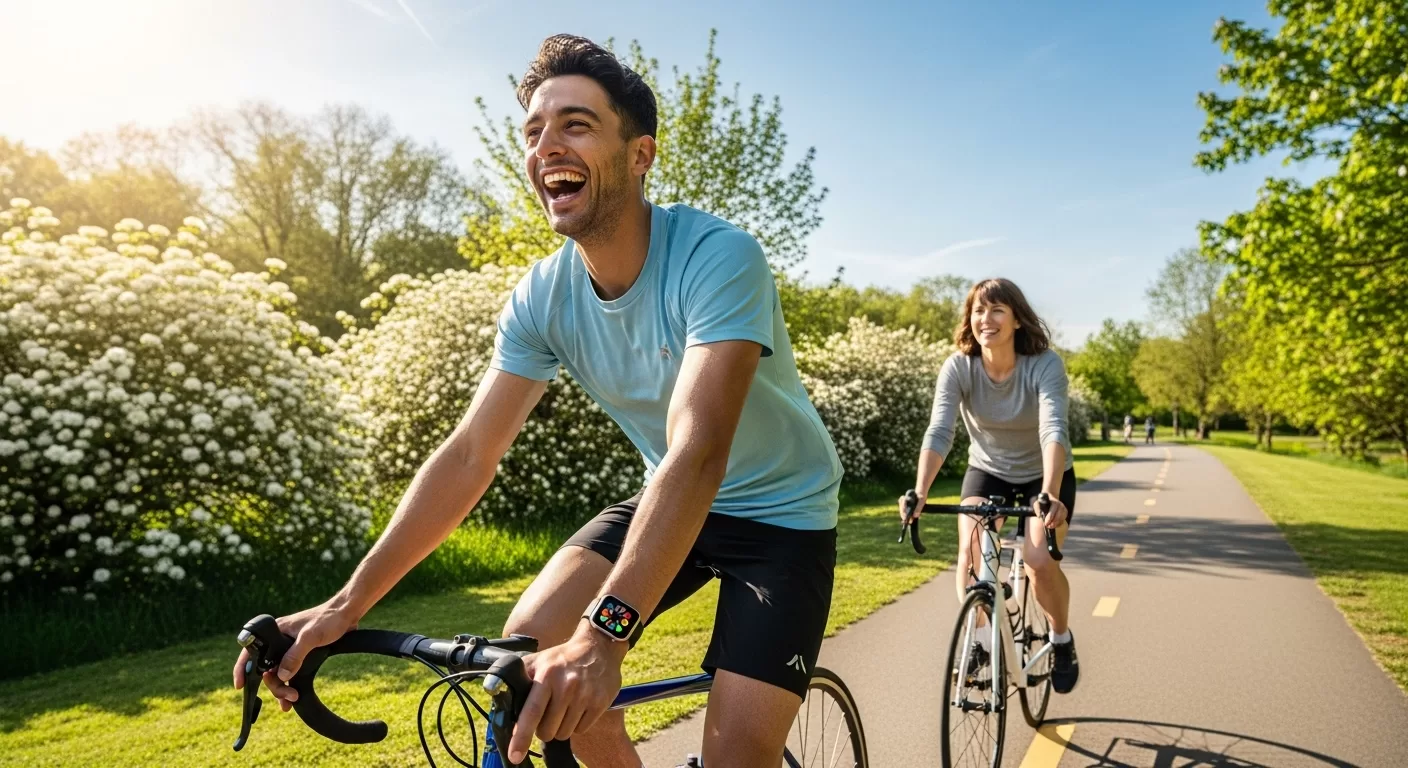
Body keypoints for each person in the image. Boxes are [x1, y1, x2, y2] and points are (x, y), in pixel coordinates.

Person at [232, 35, 844, 768]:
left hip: (782, 517)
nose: (546, 144)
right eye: (533, 130)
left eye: (576, 125)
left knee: (734, 754)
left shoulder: (718, 257)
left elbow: (699, 449)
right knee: (527, 661)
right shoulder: (542, 297)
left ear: (640, 155)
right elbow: (468, 455)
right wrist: (345, 605)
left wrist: (603, 636)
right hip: (670, 500)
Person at [900, 277, 1080, 694]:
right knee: (971, 557)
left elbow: (1053, 429)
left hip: (1045, 474)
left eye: (998, 310)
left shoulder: (1043, 364)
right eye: (979, 310)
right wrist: (920, 490)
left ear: (1017, 319)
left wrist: (1050, 493)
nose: (987, 319)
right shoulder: (959, 367)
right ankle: (981, 640)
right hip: (989, 468)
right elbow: (940, 430)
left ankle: (1061, 638)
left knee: (1038, 560)